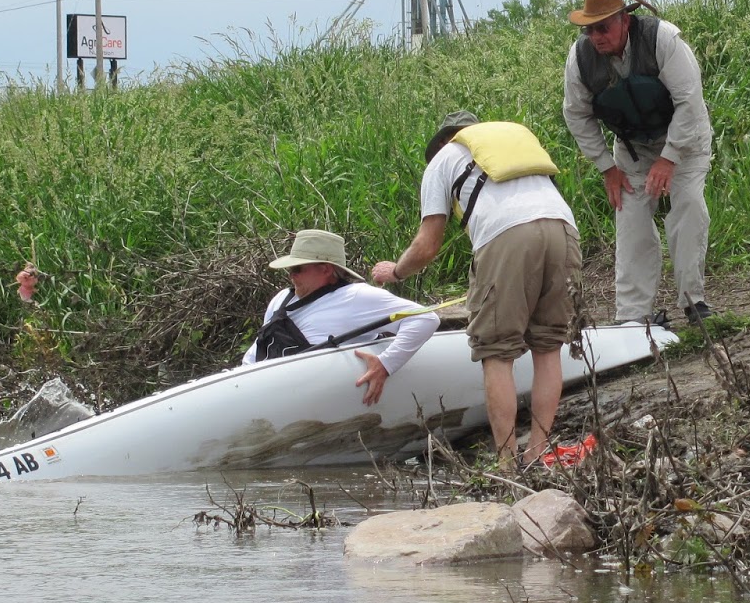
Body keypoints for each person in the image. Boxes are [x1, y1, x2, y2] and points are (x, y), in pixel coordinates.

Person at [372, 111, 580, 467]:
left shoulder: (442, 160)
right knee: (548, 347)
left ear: (444, 141)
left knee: (496, 352)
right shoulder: (513, 144)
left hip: (507, 237)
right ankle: (537, 454)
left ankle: (507, 465)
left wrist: (396, 271)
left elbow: (427, 245)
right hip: (564, 230)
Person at [562, 0, 714, 326]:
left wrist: (669, 157)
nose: (596, 36)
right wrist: (606, 168)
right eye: (590, 29)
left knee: (688, 207)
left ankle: (694, 302)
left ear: (624, 22)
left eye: (603, 27)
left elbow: (689, 101)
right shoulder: (581, 59)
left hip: (685, 141)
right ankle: (633, 316)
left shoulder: (663, 40)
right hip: (632, 149)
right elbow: (576, 114)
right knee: (630, 221)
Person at [243, 228, 440, 406]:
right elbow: (259, 347)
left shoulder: (356, 296)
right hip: (266, 393)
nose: (291, 275)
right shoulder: (281, 300)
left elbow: (424, 319)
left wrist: (385, 364)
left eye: (297, 269)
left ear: (326, 269)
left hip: (310, 400)